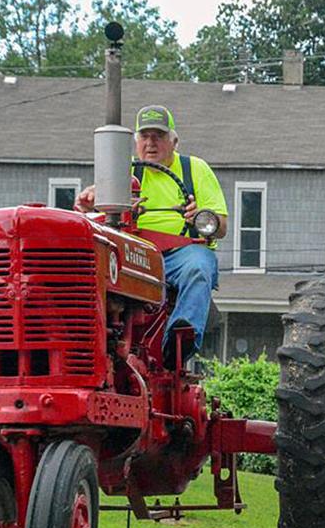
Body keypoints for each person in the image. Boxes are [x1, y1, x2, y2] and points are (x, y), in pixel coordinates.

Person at [76, 105, 228, 366]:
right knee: (88, 269)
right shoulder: (126, 173)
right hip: (135, 255)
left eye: (158, 136)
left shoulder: (195, 169)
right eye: (145, 136)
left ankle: (180, 339)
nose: (151, 143)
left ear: (174, 141)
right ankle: (86, 345)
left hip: (180, 254)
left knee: (199, 265)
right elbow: (98, 201)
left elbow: (220, 225)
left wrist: (200, 214)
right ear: (135, 142)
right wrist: (92, 198)